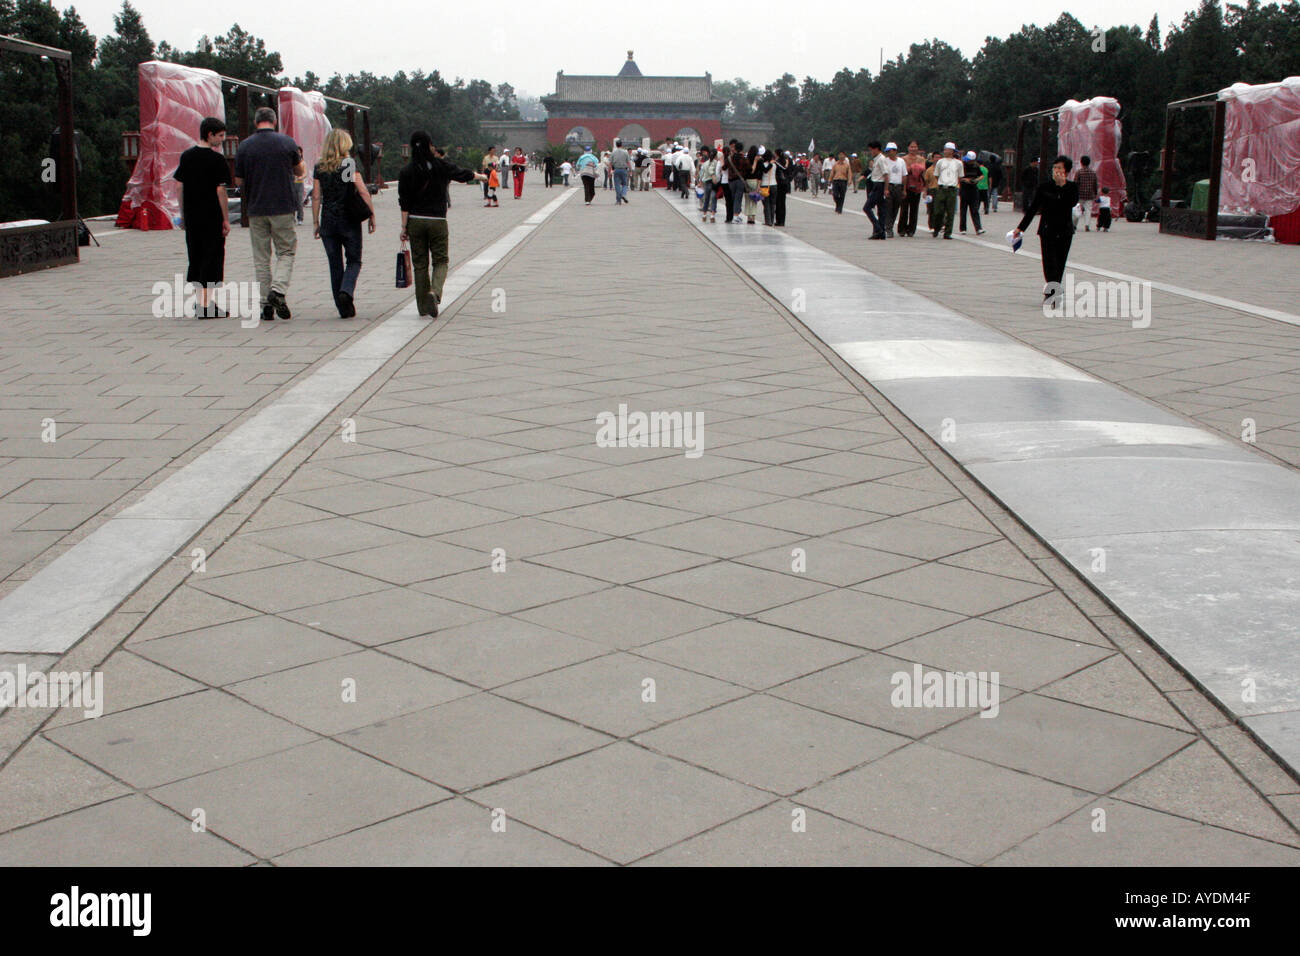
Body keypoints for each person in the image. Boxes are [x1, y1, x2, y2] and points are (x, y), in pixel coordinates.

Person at [398, 130, 485, 318]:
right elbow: (461, 174)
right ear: (430, 146)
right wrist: (479, 176)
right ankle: (435, 292)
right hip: (437, 220)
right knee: (441, 261)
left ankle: (422, 307)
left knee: (420, 264)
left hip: (415, 221)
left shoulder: (406, 171)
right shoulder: (440, 165)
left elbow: (403, 202)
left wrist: (404, 228)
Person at [234, 106, 305, 322]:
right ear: (274, 121)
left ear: (256, 122)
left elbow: (238, 181)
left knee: (261, 258)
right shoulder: (287, 142)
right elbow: (300, 170)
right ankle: (278, 290)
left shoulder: (245, 146)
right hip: (283, 206)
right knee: (286, 251)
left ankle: (266, 304)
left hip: (256, 208)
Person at [312, 128, 375, 318]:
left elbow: (316, 196)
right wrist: (371, 214)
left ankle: (343, 309)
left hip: (328, 222)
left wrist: (316, 221)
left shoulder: (320, 166)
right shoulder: (347, 165)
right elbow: (361, 190)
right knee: (354, 260)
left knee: (335, 264)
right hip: (348, 219)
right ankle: (346, 290)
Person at [173, 116, 232, 319]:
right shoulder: (217, 160)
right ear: (210, 135)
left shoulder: (186, 156)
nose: (222, 139)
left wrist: (183, 214)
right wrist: (225, 218)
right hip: (212, 216)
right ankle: (206, 305)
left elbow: (179, 186)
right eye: (221, 136)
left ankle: (201, 301)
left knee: (196, 257)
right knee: (212, 258)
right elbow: (220, 191)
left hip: (192, 216)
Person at [1013, 155, 1079, 305]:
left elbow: (1071, 203)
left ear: (1066, 171)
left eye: (1060, 168)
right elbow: (1033, 208)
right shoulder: (1044, 187)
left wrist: (1061, 187)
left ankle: (1052, 291)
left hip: (1065, 230)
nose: (1056, 170)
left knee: (1060, 262)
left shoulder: (1072, 187)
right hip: (1047, 229)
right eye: (1055, 168)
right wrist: (1020, 228)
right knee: (1049, 262)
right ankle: (1053, 291)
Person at [931, 142, 962, 239]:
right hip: (941, 188)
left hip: (952, 189)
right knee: (938, 211)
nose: (945, 151)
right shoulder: (940, 162)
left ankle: (948, 232)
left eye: (947, 149)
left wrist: (955, 184)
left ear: (952, 151)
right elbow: (936, 175)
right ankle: (936, 228)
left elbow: (960, 177)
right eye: (945, 149)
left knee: (950, 212)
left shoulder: (958, 163)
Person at [863, 141, 890, 239]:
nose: (870, 152)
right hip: (876, 184)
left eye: (871, 150)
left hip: (879, 185)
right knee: (881, 211)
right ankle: (881, 233)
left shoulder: (881, 159)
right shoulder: (877, 159)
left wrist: (886, 189)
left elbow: (886, 175)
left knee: (866, 208)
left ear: (876, 149)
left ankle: (878, 228)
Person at [900, 148, 926, 237]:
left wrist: (912, 167)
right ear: (908, 148)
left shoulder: (921, 159)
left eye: (915, 147)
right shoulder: (903, 159)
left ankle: (911, 229)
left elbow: (923, 171)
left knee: (914, 209)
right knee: (904, 209)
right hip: (906, 186)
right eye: (911, 146)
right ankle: (902, 229)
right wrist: (915, 167)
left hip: (917, 186)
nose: (913, 149)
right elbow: (904, 171)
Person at [959, 150, 984, 234]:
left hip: (973, 189)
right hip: (964, 189)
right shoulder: (962, 166)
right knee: (963, 209)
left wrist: (976, 179)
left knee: (975, 209)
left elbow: (981, 175)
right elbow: (958, 177)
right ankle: (963, 228)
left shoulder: (976, 166)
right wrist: (965, 180)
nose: (970, 162)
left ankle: (978, 228)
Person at [884, 142, 905, 237]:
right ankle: (888, 229)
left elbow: (904, 175)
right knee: (889, 207)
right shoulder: (885, 161)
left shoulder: (901, 161)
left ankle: (890, 225)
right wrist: (886, 188)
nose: (888, 153)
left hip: (898, 186)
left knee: (896, 208)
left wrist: (904, 189)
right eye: (887, 151)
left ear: (895, 151)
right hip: (890, 186)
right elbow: (885, 176)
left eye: (890, 151)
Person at [1073, 154, 1099, 231]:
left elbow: (1075, 183)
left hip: (1079, 194)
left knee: (1077, 210)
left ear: (1081, 163)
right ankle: (1087, 225)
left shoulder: (1079, 172)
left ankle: (1074, 225)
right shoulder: (1093, 172)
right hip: (1090, 194)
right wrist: (1095, 193)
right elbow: (1095, 184)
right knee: (1088, 210)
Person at [726, 141, 748, 222]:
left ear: (734, 148)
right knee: (738, 198)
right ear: (742, 149)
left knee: (732, 198)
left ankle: (733, 216)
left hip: (731, 181)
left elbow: (724, 167)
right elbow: (749, 169)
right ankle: (736, 216)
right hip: (740, 180)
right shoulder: (744, 159)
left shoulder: (730, 158)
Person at [698, 146, 719, 222]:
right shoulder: (717, 163)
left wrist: (700, 182)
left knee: (706, 199)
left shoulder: (705, 163)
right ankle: (712, 216)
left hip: (707, 182)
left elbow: (701, 173)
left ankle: (704, 215)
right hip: (714, 183)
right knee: (714, 199)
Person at [757, 146, 777, 225]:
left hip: (764, 186)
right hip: (774, 185)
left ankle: (767, 221)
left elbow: (761, 174)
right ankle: (772, 220)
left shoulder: (763, 165)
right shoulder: (775, 165)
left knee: (766, 204)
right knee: (772, 204)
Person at [743, 145, 762, 224]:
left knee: (747, 200)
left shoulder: (746, 161)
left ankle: (748, 217)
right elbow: (758, 174)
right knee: (754, 200)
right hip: (755, 182)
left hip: (747, 182)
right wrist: (758, 186)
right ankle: (753, 218)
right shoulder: (759, 161)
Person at [773, 149, 792, 227]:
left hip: (778, 183)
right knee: (782, 203)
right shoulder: (786, 161)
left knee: (778, 202)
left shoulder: (776, 162)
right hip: (785, 184)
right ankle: (782, 221)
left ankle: (778, 220)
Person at [610, 139, 631, 204]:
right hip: (624, 170)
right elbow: (628, 162)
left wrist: (610, 171)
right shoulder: (625, 152)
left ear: (616, 145)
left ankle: (618, 200)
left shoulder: (613, 153)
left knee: (617, 185)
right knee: (625, 184)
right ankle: (623, 194)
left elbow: (610, 163)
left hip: (616, 170)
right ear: (622, 145)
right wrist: (630, 170)